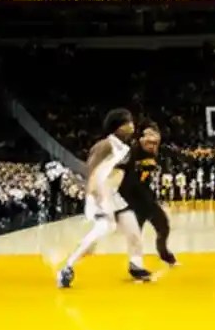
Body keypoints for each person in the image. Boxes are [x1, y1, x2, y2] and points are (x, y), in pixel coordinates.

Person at [56, 108, 150, 288]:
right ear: (117, 127)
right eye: (127, 122)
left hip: (113, 194)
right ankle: (67, 267)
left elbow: (119, 173)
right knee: (105, 228)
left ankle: (136, 265)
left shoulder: (125, 148)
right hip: (100, 193)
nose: (132, 125)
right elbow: (92, 171)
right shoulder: (105, 145)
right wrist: (95, 196)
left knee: (133, 229)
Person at [116, 121, 177, 266]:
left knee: (164, 227)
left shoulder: (157, 153)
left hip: (147, 199)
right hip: (131, 200)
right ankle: (135, 263)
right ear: (141, 139)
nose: (151, 145)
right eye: (148, 141)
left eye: (154, 142)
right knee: (135, 235)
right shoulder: (131, 152)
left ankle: (164, 254)